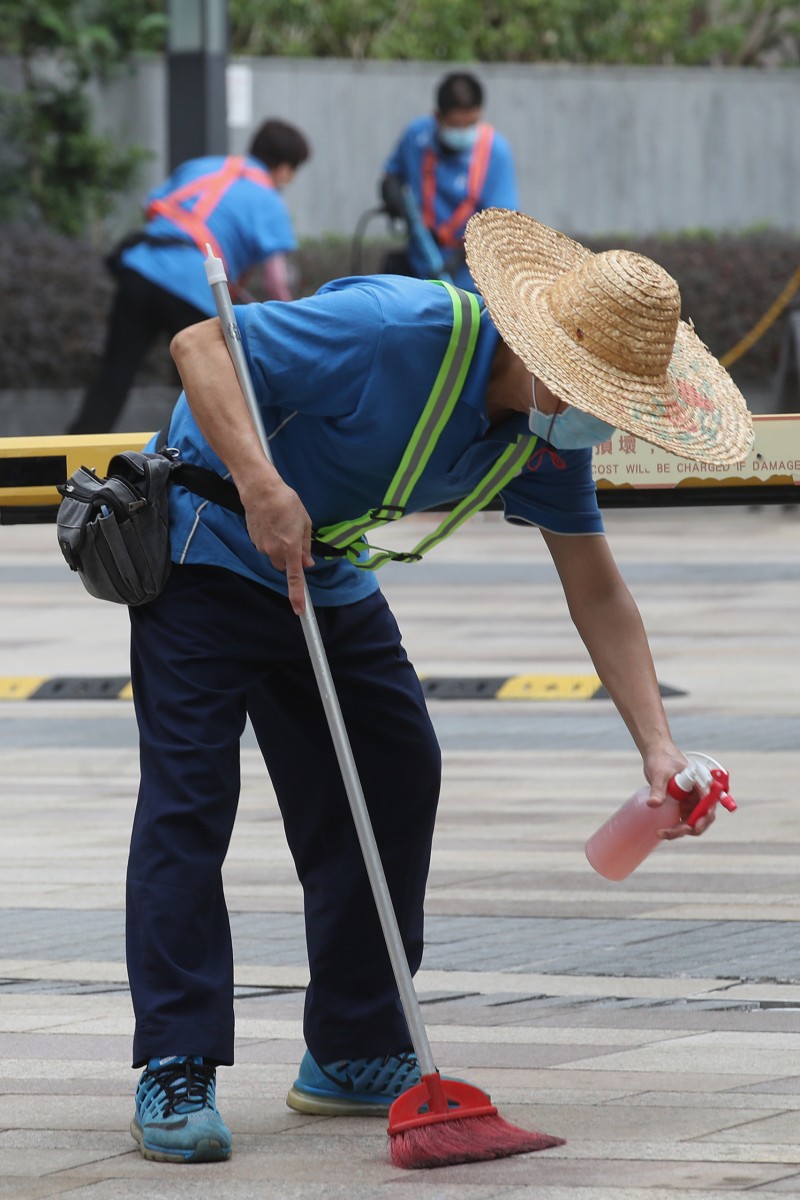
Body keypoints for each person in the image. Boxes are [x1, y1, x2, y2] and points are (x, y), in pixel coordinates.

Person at [125, 208, 754, 1164]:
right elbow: (201, 344)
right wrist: (260, 484)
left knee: (397, 767)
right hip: (210, 546)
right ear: (541, 353)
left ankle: (353, 1044)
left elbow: (598, 588)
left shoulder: (545, 438)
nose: (598, 417)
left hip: (326, 570)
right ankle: (176, 1062)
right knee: (190, 801)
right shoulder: (391, 329)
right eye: (594, 393)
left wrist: (658, 748)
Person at [66, 118, 310, 436]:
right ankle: (190, 467)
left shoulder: (201, 166)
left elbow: (150, 205)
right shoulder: (269, 202)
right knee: (208, 392)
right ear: (285, 169)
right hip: (194, 288)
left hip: (141, 269)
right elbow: (276, 281)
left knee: (114, 377)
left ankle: (69, 469)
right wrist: (290, 327)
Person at [379, 72, 519, 290]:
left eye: (471, 123)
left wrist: (456, 261)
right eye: (456, 124)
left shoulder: (496, 152)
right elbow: (392, 175)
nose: (464, 130)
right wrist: (393, 196)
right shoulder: (416, 137)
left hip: (471, 281)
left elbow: (499, 225)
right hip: (419, 269)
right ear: (438, 116)